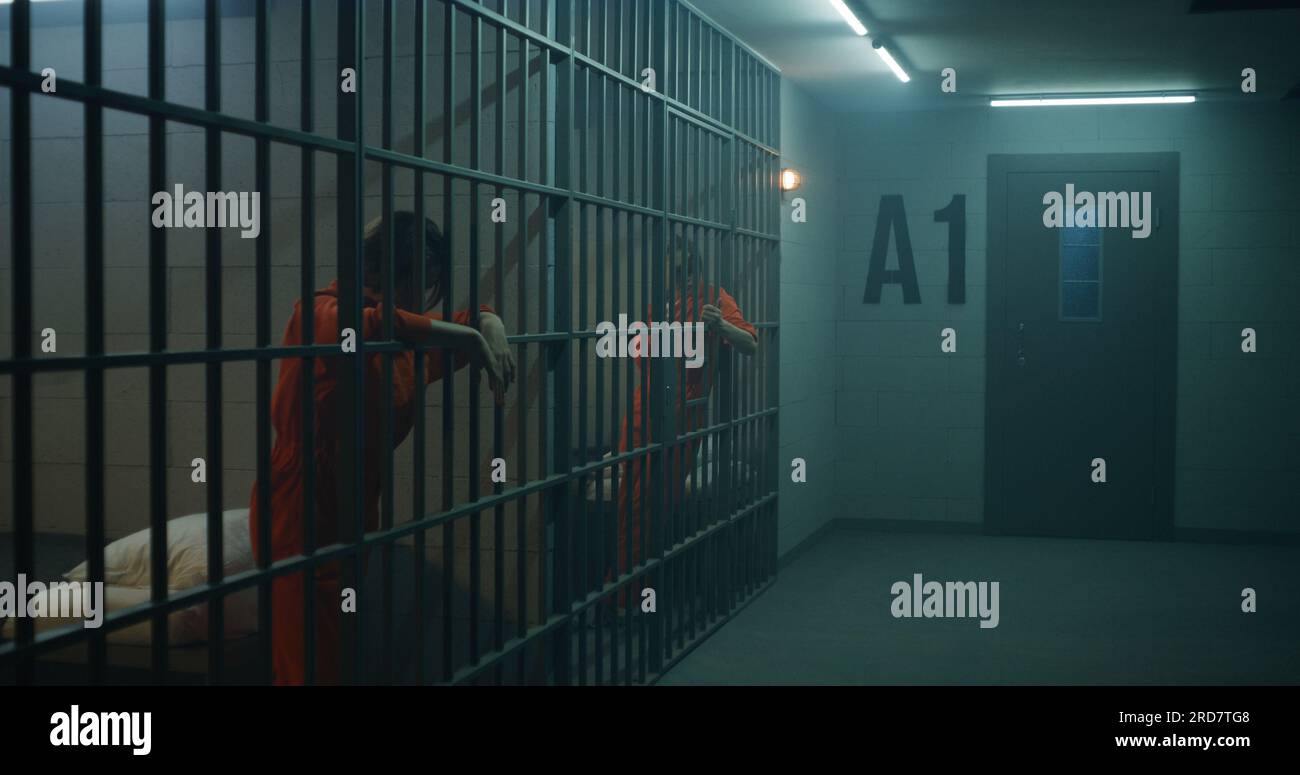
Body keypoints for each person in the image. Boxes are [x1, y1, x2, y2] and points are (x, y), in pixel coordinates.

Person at [249, 211, 515, 685]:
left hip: (353, 505)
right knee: (309, 662)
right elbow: (369, 325)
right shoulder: (320, 314)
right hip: (298, 503)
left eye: (430, 285)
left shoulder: (400, 344)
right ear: (377, 271)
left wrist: (485, 321)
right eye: (418, 282)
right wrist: (467, 332)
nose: (422, 297)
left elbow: (435, 330)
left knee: (331, 649)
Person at [611, 237, 757, 600]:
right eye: (677, 271)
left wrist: (720, 325)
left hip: (683, 414)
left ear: (699, 265)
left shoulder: (714, 297)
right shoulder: (658, 306)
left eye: (689, 268)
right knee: (632, 501)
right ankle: (627, 592)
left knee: (656, 503)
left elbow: (750, 343)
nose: (685, 278)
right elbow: (642, 359)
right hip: (644, 411)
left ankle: (624, 593)